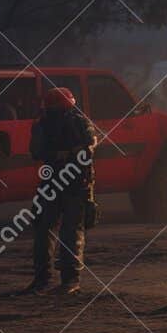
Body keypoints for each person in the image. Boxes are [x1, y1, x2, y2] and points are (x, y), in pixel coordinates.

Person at [26, 87, 97, 295]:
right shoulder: (73, 121)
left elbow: (88, 148)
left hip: (70, 182)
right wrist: (67, 153)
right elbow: (37, 151)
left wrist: (64, 154)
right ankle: (58, 280)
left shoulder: (68, 122)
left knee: (62, 231)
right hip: (66, 182)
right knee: (59, 230)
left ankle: (62, 280)